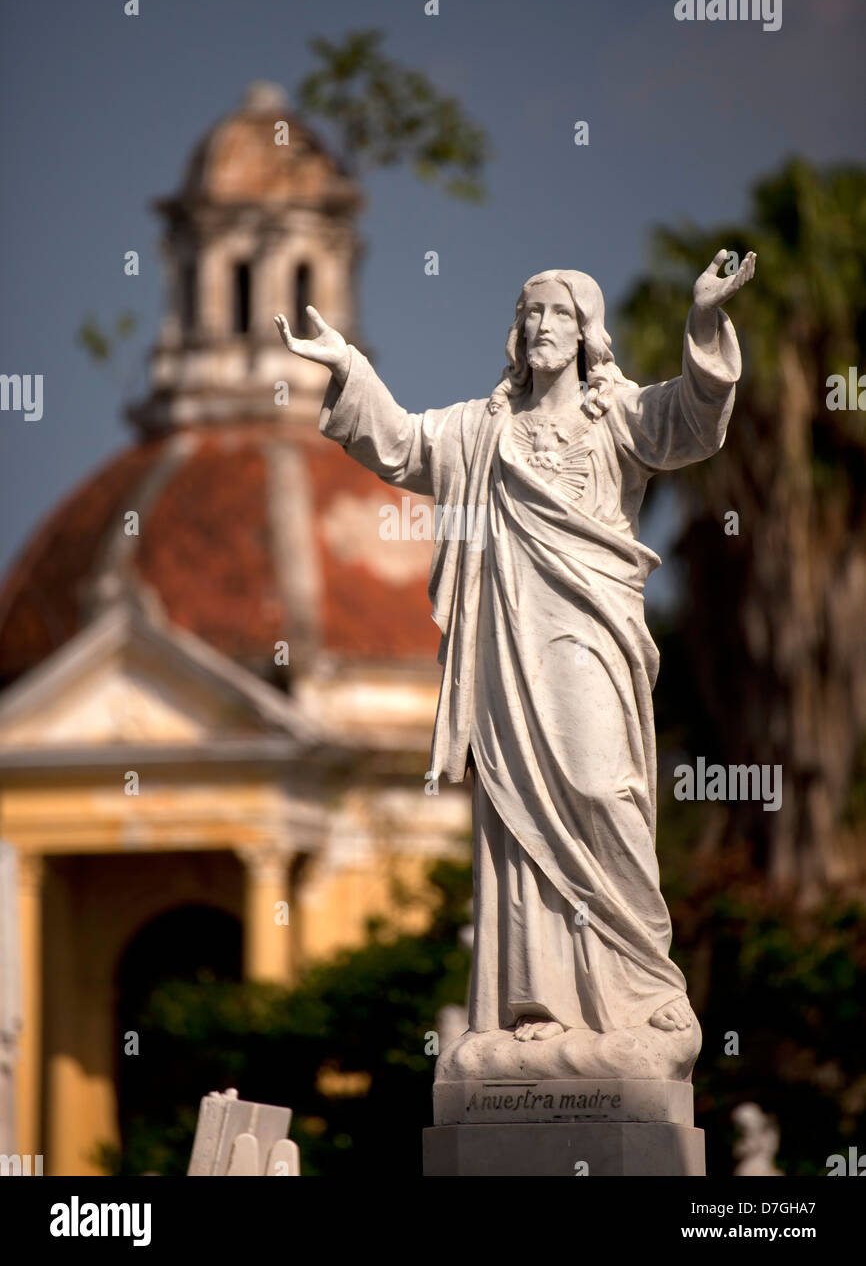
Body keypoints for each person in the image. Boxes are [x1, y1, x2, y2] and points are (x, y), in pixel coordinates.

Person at [275, 249, 756, 1056]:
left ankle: (641, 982)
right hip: (507, 643)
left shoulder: (620, 418)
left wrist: (703, 320)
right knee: (520, 818)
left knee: (605, 791)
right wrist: (347, 365)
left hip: (590, 635)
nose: (540, 327)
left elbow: (695, 421)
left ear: (585, 334)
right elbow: (398, 444)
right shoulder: (478, 430)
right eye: (530, 314)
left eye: (559, 315)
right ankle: (537, 1006)